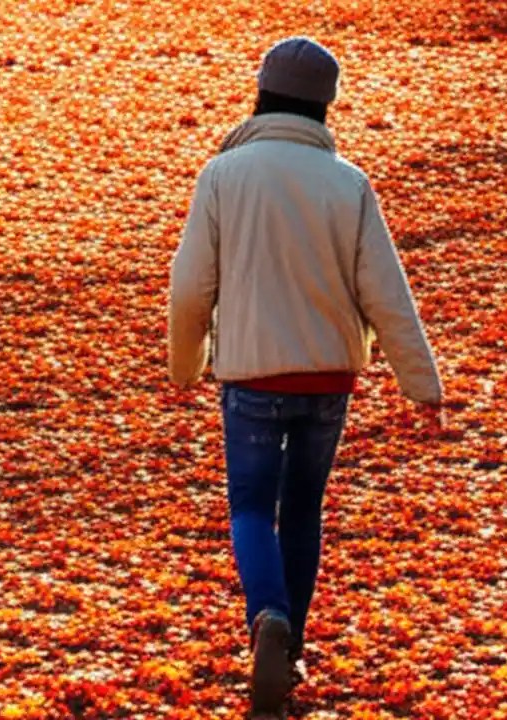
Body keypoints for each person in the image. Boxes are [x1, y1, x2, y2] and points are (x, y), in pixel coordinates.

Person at [167, 36, 443, 718]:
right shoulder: (347, 183)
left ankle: (268, 618)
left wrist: (185, 366)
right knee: (305, 509)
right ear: (326, 106)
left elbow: (189, 288)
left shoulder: (223, 176)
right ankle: (288, 656)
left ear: (260, 94)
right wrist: (422, 385)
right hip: (328, 379)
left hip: (253, 376)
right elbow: (386, 293)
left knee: (251, 508)